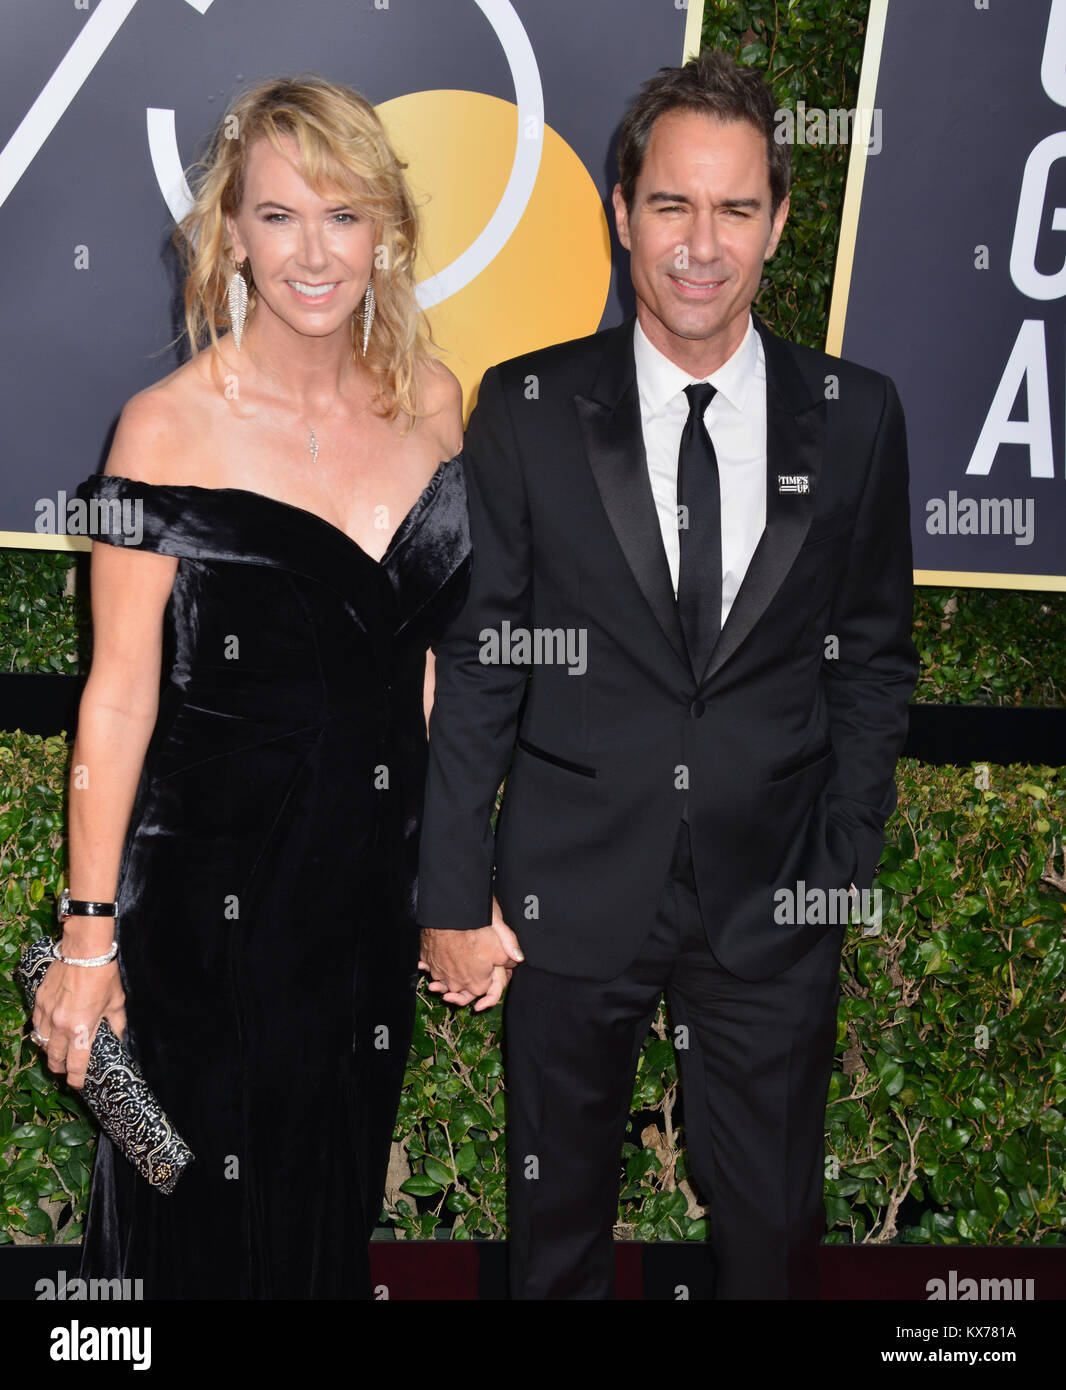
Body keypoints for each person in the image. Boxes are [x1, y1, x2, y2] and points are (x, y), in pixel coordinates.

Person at [417, 50, 918, 1299]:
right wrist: (451, 890)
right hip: (567, 886)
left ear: (778, 222)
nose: (702, 244)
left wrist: (841, 860)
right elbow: (480, 658)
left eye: (736, 208)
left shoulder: (857, 416)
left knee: (772, 1236)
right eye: (672, 205)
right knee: (555, 1237)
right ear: (621, 211)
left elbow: (870, 656)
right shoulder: (528, 406)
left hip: (775, 891)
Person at [29, 74, 473, 1298]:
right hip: (204, 912)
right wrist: (87, 938)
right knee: (187, 1228)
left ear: (385, 233)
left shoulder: (436, 405)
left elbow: (432, 674)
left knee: (326, 1209)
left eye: (343, 215)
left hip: (363, 905)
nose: (312, 254)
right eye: (278, 216)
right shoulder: (164, 428)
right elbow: (117, 697)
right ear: (230, 236)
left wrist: (457, 874)